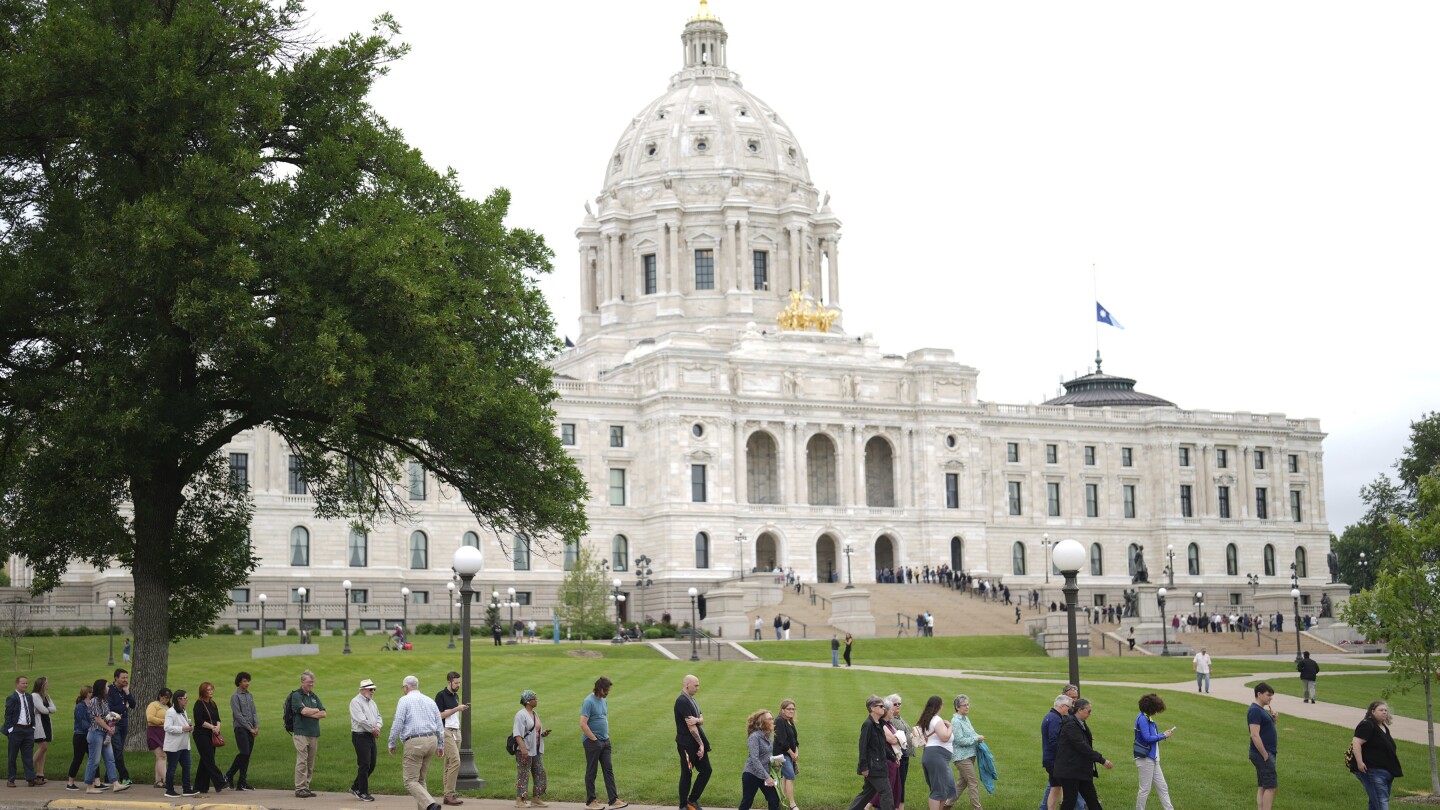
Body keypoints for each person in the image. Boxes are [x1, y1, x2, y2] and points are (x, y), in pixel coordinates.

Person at [389, 675, 444, 810]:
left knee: (410, 781)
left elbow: (398, 722)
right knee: (419, 780)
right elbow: (439, 724)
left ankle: (431, 805)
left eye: (403, 688)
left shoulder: (404, 700)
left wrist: (392, 742)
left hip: (415, 742)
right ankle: (427, 807)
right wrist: (441, 744)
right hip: (432, 741)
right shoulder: (429, 700)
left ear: (406, 687)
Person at [1052, 698, 1112, 810]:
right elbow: (1081, 746)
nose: (1090, 714)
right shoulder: (1071, 725)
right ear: (1079, 710)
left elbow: (1082, 742)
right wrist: (1102, 760)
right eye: (1088, 711)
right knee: (1070, 801)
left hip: (1080, 770)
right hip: (1070, 770)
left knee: (1092, 799)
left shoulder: (1080, 722)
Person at [581, 677, 626, 810]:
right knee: (591, 771)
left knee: (608, 770)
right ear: (600, 689)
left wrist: (605, 737)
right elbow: (583, 724)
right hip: (592, 742)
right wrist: (594, 739)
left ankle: (613, 800)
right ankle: (591, 801)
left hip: (605, 741)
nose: (608, 692)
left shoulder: (604, 700)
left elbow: (602, 718)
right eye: (606, 690)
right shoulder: (588, 701)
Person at [845, 695, 896, 810]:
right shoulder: (868, 725)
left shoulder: (879, 724)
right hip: (874, 767)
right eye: (881, 706)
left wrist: (892, 757)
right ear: (872, 708)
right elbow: (863, 747)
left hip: (879, 765)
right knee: (886, 793)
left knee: (867, 794)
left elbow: (881, 746)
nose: (884, 709)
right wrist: (864, 767)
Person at [1352, 700, 1402, 809]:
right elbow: (1356, 743)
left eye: (1386, 710)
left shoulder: (1383, 727)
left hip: (1385, 771)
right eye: (1381, 710)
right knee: (1381, 801)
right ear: (1372, 711)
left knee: (1376, 802)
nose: (1384, 712)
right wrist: (1360, 763)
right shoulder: (1367, 724)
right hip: (1372, 770)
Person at [674, 675, 712, 810]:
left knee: (706, 770)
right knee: (687, 773)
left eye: (698, 685)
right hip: (686, 745)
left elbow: (701, 719)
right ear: (687, 685)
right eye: (695, 685)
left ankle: (692, 800)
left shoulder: (693, 700)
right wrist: (701, 744)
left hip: (696, 743)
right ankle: (683, 805)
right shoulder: (682, 701)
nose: (698, 688)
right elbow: (691, 727)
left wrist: (697, 719)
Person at [1133, 693, 1175, 810]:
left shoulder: (1146, 718)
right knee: (1145, 789)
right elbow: (1147, 738)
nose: (1157, 711)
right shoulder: (1142, 719)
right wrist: (1163, 735)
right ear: (1151, 708)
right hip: (1146, 759)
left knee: (1162, 786)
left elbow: (1150, 737)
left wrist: (1162, 735)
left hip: (1152, 758)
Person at [84, 679, 127, 793]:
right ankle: (89, 786)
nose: (108, 688)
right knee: (94, 760)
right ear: (102, 688)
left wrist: (112, 726)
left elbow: (108, 716)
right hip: (95, 734)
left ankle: (115, 783)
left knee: (110, 758)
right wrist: (109, 728)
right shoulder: (94, 701)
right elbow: (97, 719)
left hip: (105, 734)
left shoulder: (104, 701)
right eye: (107, 686)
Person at [289, 670, 327, 798]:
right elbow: (303, 711)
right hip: (301, 733)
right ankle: (299, 788)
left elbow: (324, 713)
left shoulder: (314, 697)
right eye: (309, 682)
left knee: (310, 762)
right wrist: (315, 711)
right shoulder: (296, 695)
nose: (311, 684)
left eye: (313, 682)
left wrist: (313, 711)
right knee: (302, 761)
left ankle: (306, 787)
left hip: (314, 733)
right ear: (302, 682)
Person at [1038, 694, 1080, 810]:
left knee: (1055, 787)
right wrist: (1065, 756)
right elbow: (1054, 741)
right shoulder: (1055, 719)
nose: (1070, 710)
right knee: (1068, 788)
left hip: (1050, 759)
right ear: (1062, 706)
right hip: (1055, 760)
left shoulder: (1049, 716)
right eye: (1069, 707)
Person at [738, 709, 784, 810]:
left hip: (764, 773)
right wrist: (767, 777)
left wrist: (775, 762)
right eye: (770, 719)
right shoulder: (754, 737)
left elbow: (766, 755)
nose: (773, 721)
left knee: (774, 799)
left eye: (772, 718)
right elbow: (755, 759)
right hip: (752, 775)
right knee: (747, 802)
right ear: (762, 722)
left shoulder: (767, 736)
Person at [917, 694, 956, 810]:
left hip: (934, 756)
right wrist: (950, 727)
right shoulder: (937, 720)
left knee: (945, 787)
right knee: (938, 790)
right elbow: (944, 737)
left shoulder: (926, 719)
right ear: (939, 706)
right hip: (937, 756)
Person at [435, 671, 468, 806]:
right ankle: (450, 794)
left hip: (456, 731)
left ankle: (447, 795)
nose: (458, 685)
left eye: (459, 682)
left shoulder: (455, 696)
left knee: (449, 764)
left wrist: (459, 709)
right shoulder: (441, 695)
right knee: (455, 760)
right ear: (449, 682)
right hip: (446, 730)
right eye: (456, 683)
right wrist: (457, 709)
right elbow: (439, 716)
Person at [513, 690, 550, 809]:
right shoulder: (521, 715)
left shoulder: (534, 714)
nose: (537, 700)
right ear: (528, 701)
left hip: (536, 749)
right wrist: (523, 749)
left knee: (540, 772)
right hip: (525, 750)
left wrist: (542, 734)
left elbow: (535, 730)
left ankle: (536, 798)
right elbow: (517, 734)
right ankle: (520, 800)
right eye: (535, 698)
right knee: (524, 774)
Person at [190, 681, 226, 793]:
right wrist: (212, 727)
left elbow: (218, 718)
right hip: (201, 734)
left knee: (205, 760)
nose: (211, 692)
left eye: (212, 690)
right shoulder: (199, 704)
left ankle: (200, 786)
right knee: (208, 759)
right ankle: (220, 781)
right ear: (203, 692)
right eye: (208, 690)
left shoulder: (213, 703)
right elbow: (199, 721)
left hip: (211, 734)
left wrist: (218, 727)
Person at [350, 678, 382, 802]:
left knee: (372, 764)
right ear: (362, 690)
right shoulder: (355, 702)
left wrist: (378, 727)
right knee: (364, 764)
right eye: (370, 689)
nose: (373, 691)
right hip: (360, 735)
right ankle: (363, 792)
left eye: (373, 689)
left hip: (370, 735)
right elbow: (360, 719)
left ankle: (355, 787)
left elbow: (379, 716)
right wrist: (373, 729)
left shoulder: (372, 703)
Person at [1247, 683, 1278, 810]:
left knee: (1263, 786)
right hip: (1262, 753)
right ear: (1259, 694)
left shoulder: (1260, 710)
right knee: (1271, 787)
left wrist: (1274, 719)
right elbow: (1254, 735)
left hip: (1264, 753)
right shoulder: (1255, 710)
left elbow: (1266, 730)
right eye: (1268, 695)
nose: (1270, 698)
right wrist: (1265, 755)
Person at [950, 695, 984, 810]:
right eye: (964, 705)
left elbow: (971, 733)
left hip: (970, 755)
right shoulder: (956, 721)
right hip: (961, 758)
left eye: (968, 704)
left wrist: (978, 736)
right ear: (957, 707)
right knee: (973, 782)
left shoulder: (965, 718)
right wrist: (976, 739)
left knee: (962, 784)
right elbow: (959, 740)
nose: (967, 707)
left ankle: (946, 805)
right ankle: (977, 808)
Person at [226, 672, 257, 791]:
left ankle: (242, 782)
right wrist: (249, 728)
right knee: (244, 752)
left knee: (247, 756)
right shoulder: (235, 697)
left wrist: (256, 726)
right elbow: (238, 715)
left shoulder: (250, 696)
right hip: (241, 728)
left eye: (248, 681)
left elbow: (254, 712)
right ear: (239, 682)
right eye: (245, 681)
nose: (247, 683)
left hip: (251, 729)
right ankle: (229, 775)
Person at [162, 689, 195, 798]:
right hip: (174, 746)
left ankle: (186, 789)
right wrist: (182, 729)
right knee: (172, 767)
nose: (186, 700)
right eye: (184, 698)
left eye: (186, 698)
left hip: (184, 745)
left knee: (187, 766)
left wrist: (189, 727)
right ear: (178, 699)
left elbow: (184, 724)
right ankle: (169, 790)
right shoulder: (171, 712)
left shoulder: (183, 710)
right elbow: (167, 727)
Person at [106, 668, 136, 786]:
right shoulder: (110, 690)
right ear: (116, 678)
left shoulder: (125, 690)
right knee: (117, 750)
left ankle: (108, 777)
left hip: (124, 722)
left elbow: (133, 704)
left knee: (116, 751)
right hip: (113, 724)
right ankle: (125, 777)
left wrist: (127, 693)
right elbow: (110, 708)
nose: (125, 680)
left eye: (126, 677)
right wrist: (124, 706)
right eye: (123, 677)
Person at [6, 675, 37, 786]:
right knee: (12, 756)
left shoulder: (29, 697)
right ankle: (11, 779)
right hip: (16, 730)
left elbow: (31, 712)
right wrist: (11, 729)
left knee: (28, 756)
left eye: (26, 683)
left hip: (28, 730)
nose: (25, 685)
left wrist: (33, 726)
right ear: (17, 684)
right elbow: (8, 715)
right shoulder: (12, 698)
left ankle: (30, 778)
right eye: (23, 683)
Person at [886, 694, 913, 810]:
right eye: (895, 704)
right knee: (898, 784)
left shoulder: (899, 718)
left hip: (905, 754)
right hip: (898, 755)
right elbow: (895, 738)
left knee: (901, 783)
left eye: (899, 704)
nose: (897, 706)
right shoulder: (890, 720)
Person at [65, 684, 93, 791]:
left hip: (89, 734)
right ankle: (70, 782)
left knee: (93, 758)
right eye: (90, 692)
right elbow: (83, 723)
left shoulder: (91, 704)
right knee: (78, 759)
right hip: (80, 736)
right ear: (87, 693)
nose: (92, 694)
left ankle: (97, 781)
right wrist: (93, 727)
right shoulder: (80, 706)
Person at [29, 676, 56, 785]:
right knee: (43, 746)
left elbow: (53, 709)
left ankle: (40, 773)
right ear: (41, 685)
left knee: (43, 748)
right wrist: (46, 710)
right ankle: (29, 770)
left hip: (46, 722)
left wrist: (47, 710)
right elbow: (43, 710)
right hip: (39, 723)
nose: (48, 684)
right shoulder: (34, 696)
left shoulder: (46, 696)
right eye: (46, 683)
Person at [773, 700, 799, 810]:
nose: (791, 711)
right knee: (790, 776)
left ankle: (780, 801)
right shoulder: (779, 721)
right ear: (782, 710)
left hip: (790, 755)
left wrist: (796, 753)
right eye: (789, 709)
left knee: (784, 778)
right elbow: (782, 741)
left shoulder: (790, 722)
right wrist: (792, 754)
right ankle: (792, 804)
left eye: (793, 709)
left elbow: (795, 740)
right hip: (781, 755)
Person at [146, 688, 171, 788]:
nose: (167, 699)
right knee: (161, 755)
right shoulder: (153, 705)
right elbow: (150, 718)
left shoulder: (167, 707)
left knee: (161, 757)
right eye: (165, 697)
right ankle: (166, 780)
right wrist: (163, 721)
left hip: (163, 733)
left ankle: (158, 780)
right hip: (154, 731)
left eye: (169, 697)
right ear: (160, 696)